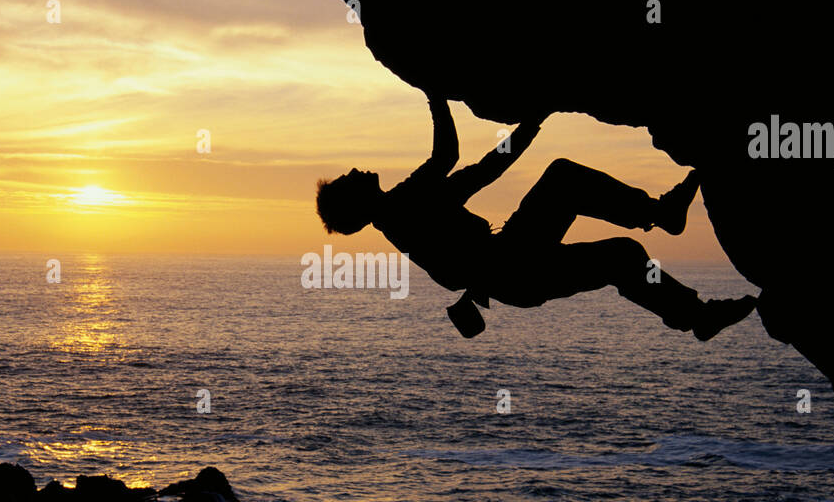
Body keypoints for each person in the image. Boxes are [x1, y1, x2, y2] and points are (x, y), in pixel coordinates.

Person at [314, 94, 757, 339]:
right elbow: (469, 162)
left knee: (622, 255)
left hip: (513, 265)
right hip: (515, 266)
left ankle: (694, 310)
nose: (354, 171)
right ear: (356, 203)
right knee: (570, 187)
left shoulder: (401, 208)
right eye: (348, 180)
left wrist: (530, 123)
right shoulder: (405, 208)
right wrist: (438, 96)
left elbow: (462, 163)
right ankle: (663, 220)